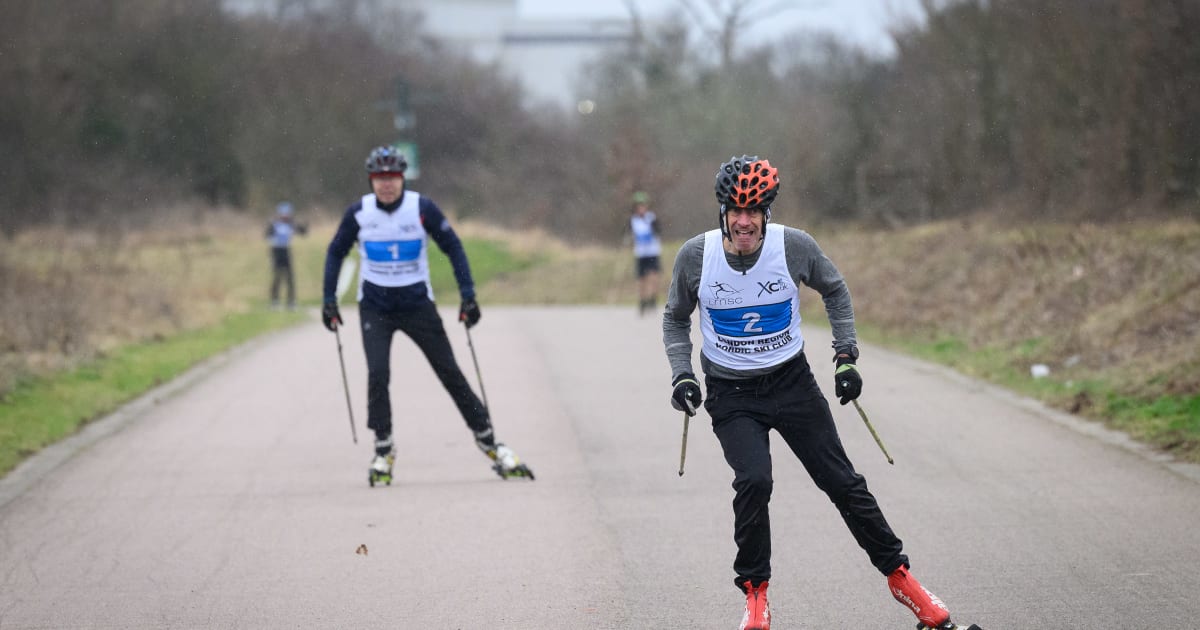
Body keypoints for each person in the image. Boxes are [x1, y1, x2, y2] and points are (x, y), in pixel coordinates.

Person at [661, 155, 983, 630]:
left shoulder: (794, 247)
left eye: (755, 210)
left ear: (767, 211)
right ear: (722, 210)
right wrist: (682, 373)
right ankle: (755, 597)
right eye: (736, 210)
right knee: (754, 481)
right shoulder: (696, 256)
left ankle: (904, 581)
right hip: (731, 394)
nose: (745, 221)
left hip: (791, 384)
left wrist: (846, 355)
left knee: (843, 482)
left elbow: (835, 290)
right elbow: (674, 317)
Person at [321, 145, 533, 485]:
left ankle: (490, 441)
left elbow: (454, 247)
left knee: (450, 372)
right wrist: (329, 299)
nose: (386, 185)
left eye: (392, 178)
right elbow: (335, 252)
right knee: (378, 374)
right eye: (379, 178)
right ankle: (383, 449)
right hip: (375, 306)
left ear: (402, 178)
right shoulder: (359, 213)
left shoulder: (421, 208)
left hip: (417, 304)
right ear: (371, 180)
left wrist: (468, 296)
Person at [265, 201, 307, 309]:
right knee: (277, 276)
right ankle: (275, 301)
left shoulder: (291, 224)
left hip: (286, 251)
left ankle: (291, 301)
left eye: (287, 213)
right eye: (283, 213)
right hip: (276, 251)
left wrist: (305, 225)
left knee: (290, 277)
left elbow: (302, 232)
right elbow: (267, 235)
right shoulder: (274, 224)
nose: (285, 216)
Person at [628, 191, 662, 315]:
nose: (641, 208)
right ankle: (642, 301)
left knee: (653, 276)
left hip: (652, 252)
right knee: (641, 279)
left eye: (643, 206)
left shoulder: (651, 218)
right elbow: (628, 234)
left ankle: (652, 299)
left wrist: (652, 231)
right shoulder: (633, 220)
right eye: (638, 206)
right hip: (641, 253)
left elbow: (658, 231)